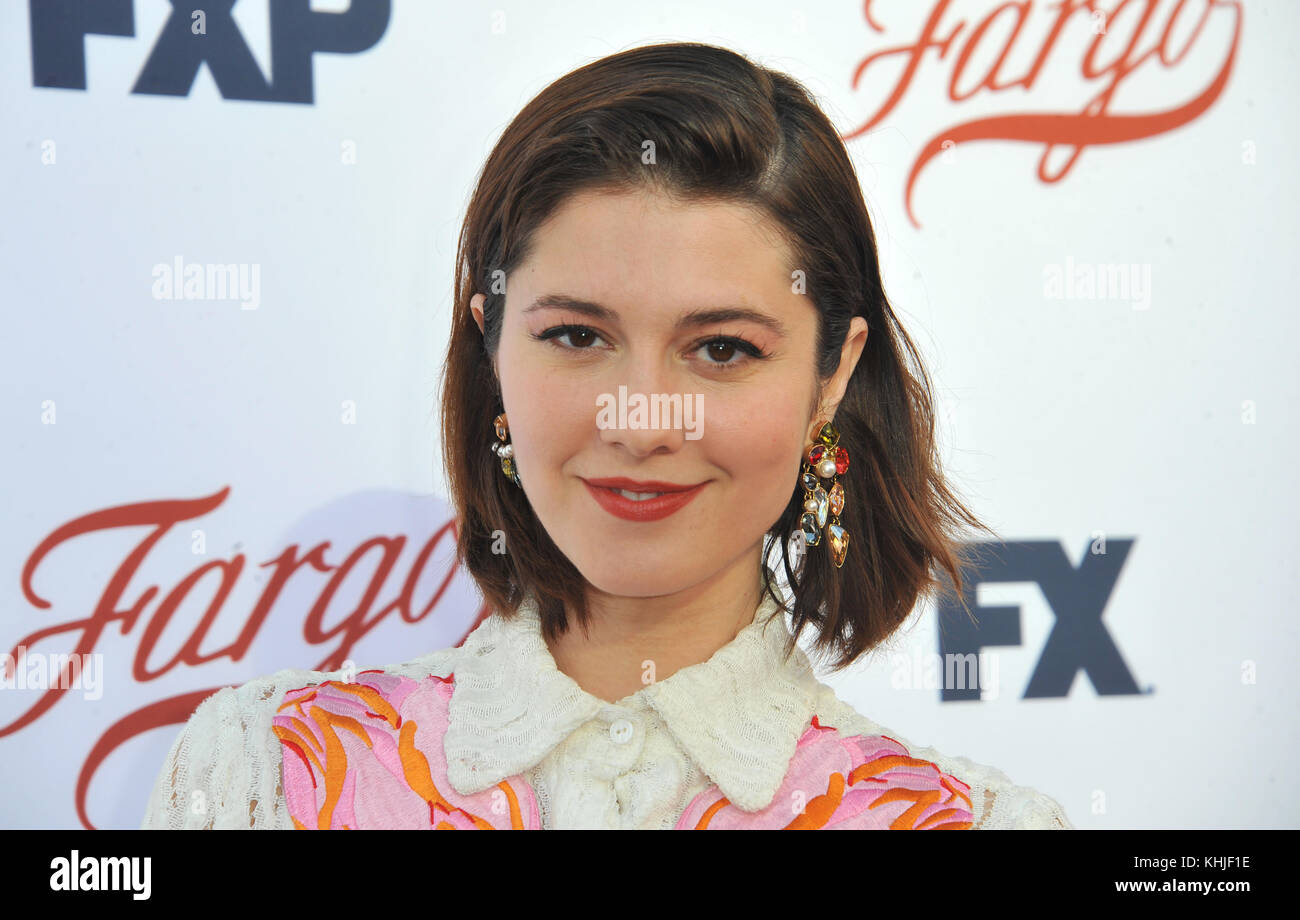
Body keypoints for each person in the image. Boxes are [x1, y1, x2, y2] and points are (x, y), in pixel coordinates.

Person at [141, 41, 1071, 830]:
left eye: (721, 348)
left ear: (831, 374)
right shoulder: (271, 780)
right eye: (578, 337)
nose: (642, 419)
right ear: (493, 350)